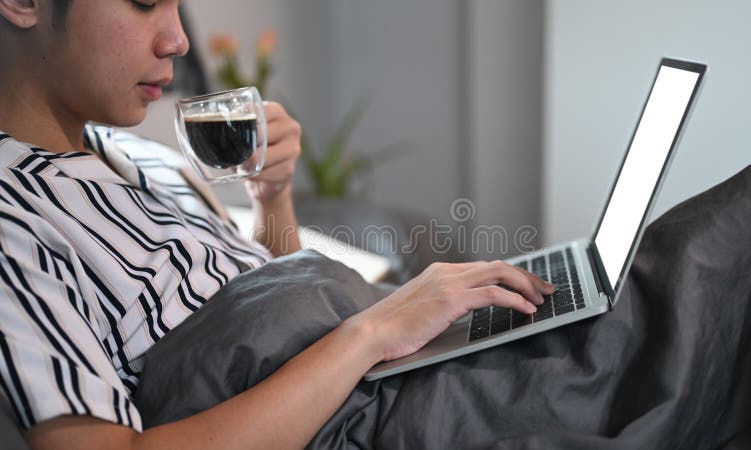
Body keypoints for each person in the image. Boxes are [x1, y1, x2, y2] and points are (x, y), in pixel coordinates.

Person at [0, 1, 554, 448]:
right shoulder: (15, 219)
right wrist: (372, 332)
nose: (179, 40)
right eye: (144, 2)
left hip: (393, 376)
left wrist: (272, 197)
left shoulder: (150, 159)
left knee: (578, 311)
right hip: (377, 416)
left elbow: (268, 294)